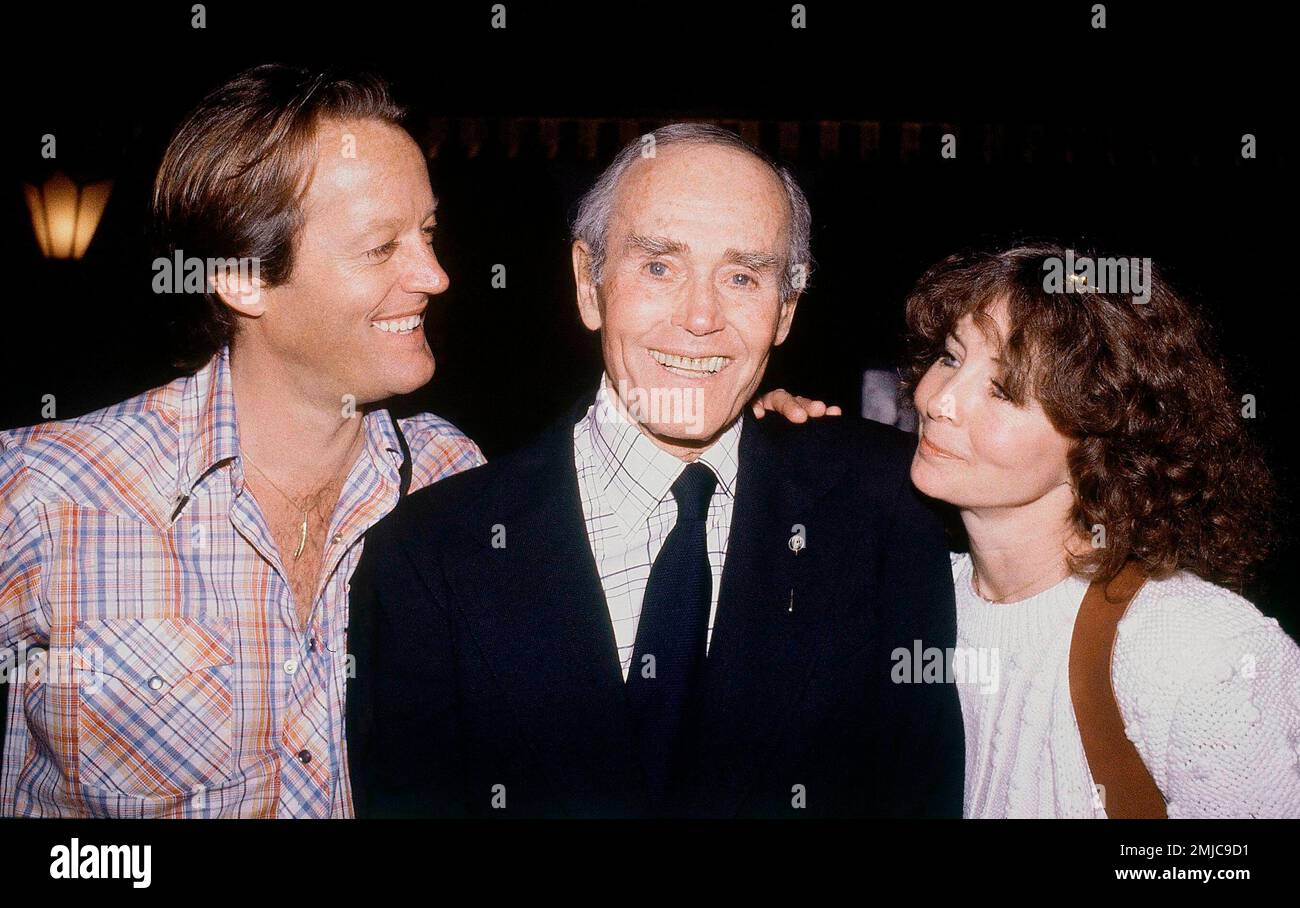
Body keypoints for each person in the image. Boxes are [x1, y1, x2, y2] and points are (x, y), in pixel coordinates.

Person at [0, 64, 830, 818]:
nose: (434, 274)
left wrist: (745, 429)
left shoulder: (451, 481)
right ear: (243, 278)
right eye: (382, 247)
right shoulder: (44, 493)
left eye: (428, 234)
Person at [346, 123, 964, 818]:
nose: (700, 317)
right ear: (589, 283)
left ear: (785, 311)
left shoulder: (885, 508)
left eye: (742, 276)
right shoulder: (429, 555)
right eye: (659, 267)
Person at [901, 242, 1300, 817]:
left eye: (1003, 390)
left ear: (1098, 440)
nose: (939, 401)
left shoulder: (1191, 646)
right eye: (950, 357)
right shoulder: (909, 593)